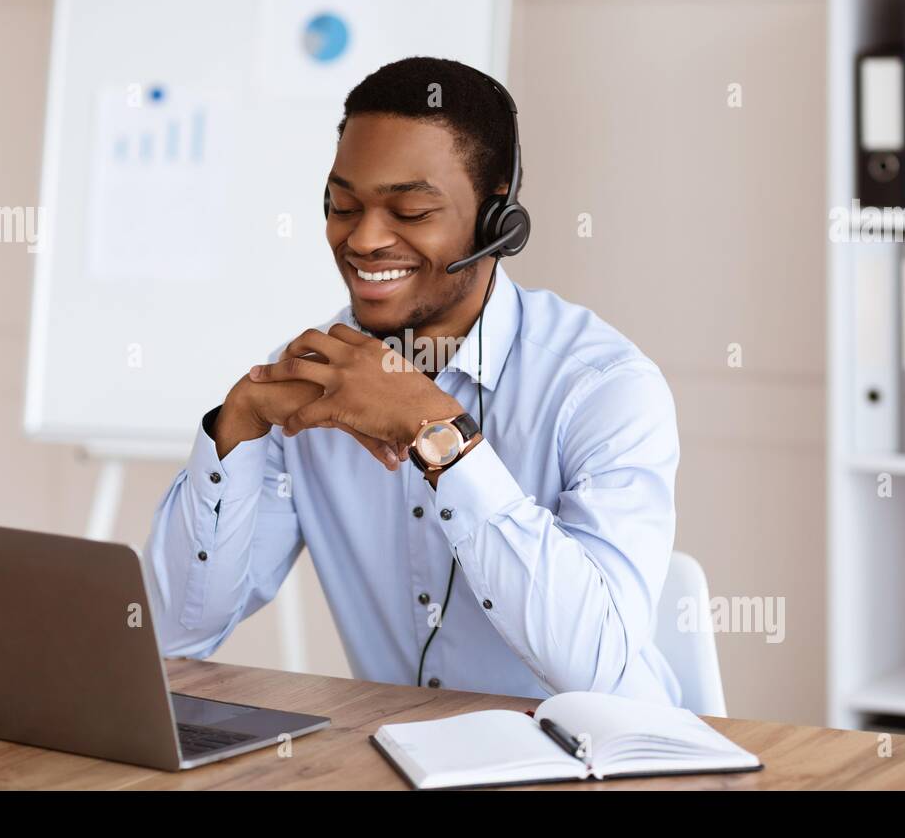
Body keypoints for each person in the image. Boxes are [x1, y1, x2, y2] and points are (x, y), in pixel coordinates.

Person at [144, 56, 682, 704]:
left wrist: (439, 433)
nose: (364, 238)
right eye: (343, 204)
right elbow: (173, 638)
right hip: (399, 762)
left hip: (600, 764)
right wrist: (236, 431)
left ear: (497, 218)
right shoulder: (310, 387)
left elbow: (593, 669)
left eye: (411, 210)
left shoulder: (602, 388)